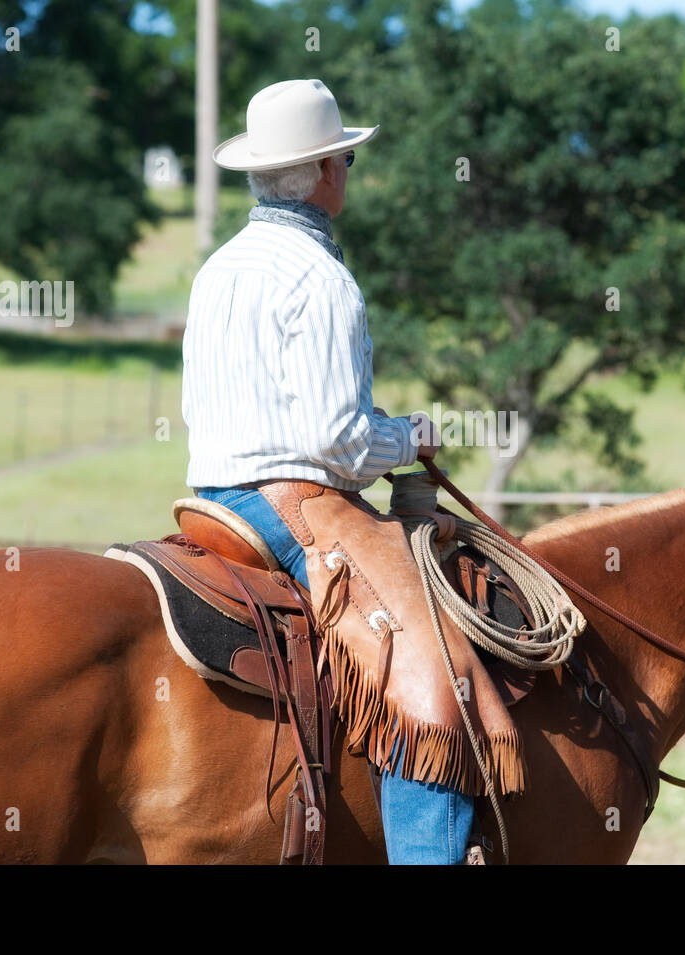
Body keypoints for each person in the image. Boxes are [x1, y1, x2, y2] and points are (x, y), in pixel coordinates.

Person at [182, 79, 522, 864]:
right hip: (296, 507)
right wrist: (411, 436)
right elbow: (337, 443)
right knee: (428, 673)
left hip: (211, 498)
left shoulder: (218, 269)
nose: (347, 175)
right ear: (328, 171)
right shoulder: (322, 278)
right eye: (346, 161)